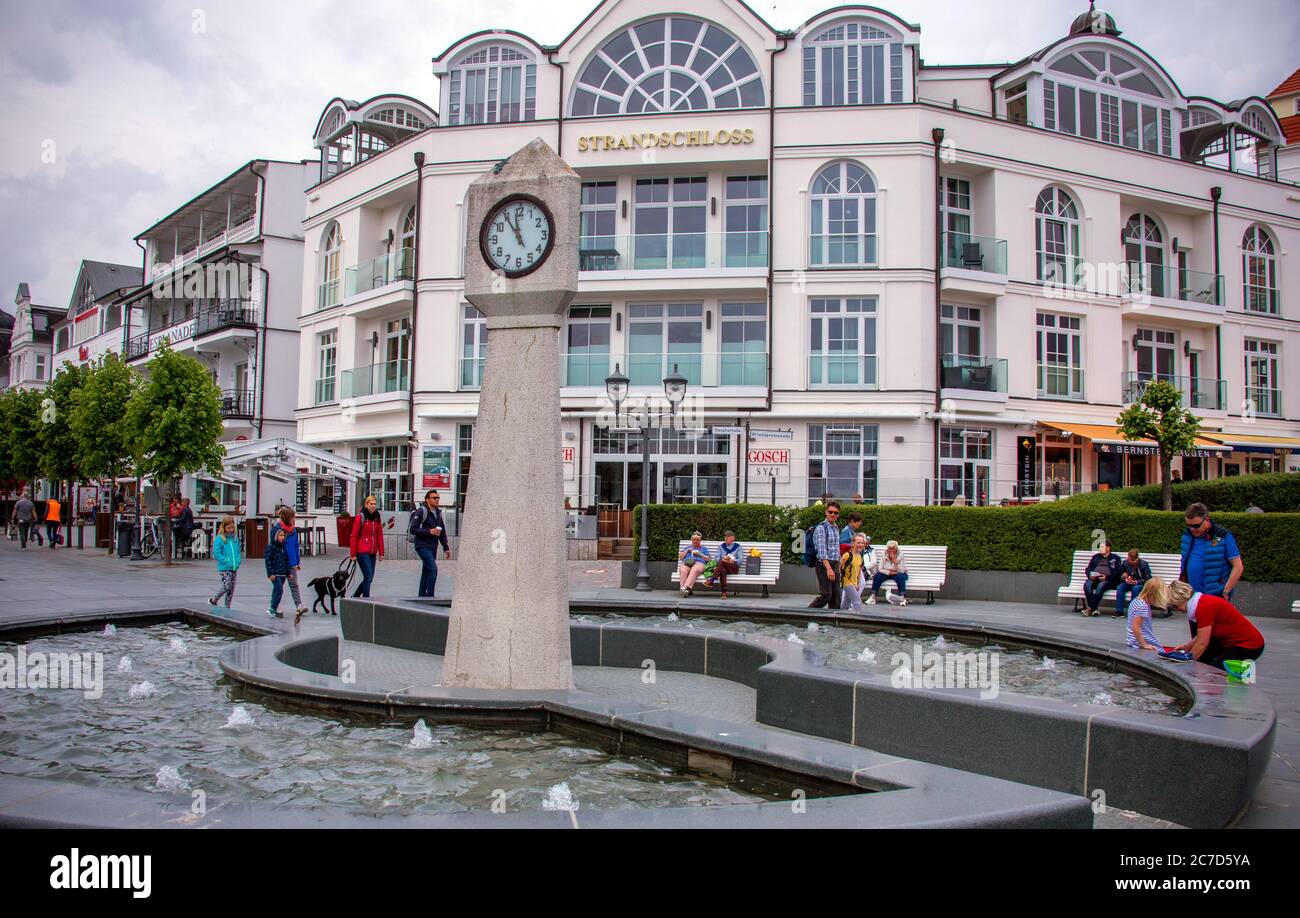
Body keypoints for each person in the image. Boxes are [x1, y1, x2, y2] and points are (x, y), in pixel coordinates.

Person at [1166, 579, 1264, 671]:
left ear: (1183, 599)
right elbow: (1203, 634)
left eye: (1175, 605)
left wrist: (1187, 664)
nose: (1177, 609)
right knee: (1204, 662)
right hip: (1232, 642)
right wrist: (1187, 646)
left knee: (1215, 670)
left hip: (1249, 646)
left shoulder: (1204, 607)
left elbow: (1202, 643)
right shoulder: (1201, 601)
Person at [1180, 502, 1243, 600]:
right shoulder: (1187, 536)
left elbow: (1238, 566)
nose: (1192, 529)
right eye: (1189, 525)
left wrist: (1226, 591)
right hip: (1193, 596)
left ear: (1207, 520)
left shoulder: (1223, 536)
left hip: (1216, 596)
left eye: (1196, 526)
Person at [409, 489, 451, 598]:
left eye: (438, 498)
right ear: (427, 500)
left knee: (426, 571)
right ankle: (430, 597)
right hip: (422, 546)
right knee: (433, 569)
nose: (437, 500)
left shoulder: (438, 513)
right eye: (434, 498)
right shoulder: (421, 511)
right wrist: (429, 531)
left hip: (433, 546)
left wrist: (446, 547)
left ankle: (422, 596)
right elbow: (413, 529)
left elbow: (442, 531)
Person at [270, 507, 307, 620]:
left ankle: (299, 605)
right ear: (287, 518)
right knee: (278, 586)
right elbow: (273, 546)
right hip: (280, 562)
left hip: (291, 561)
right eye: (292, 517)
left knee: (294, 584)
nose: (294, 519)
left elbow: (296, 546)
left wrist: (297, 561)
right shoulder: (277, 529)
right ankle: (276, 606)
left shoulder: (293, 530)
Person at [349, 495, 384, 597]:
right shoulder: (361, 517)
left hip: (372, 551)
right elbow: (354, 536)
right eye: (371, 504)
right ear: (366, 505)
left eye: (374, 504)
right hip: (362, 550)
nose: (373, 506)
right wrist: (353, 554)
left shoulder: (377, 517)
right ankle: (366, 600)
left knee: (369, 577)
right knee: (368, 575)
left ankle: (355, 596)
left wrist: (381, 552)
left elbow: (379, 535)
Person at [809, 501, 842, 609]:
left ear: (838, 514)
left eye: (835, 513)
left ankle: (833, 622)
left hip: (835, 565)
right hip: (824, 565)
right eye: (830, 512)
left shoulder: (836, 528)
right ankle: (807, 614)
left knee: (836, 597)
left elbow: (836, 549)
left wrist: (838, 566)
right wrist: (829, 569)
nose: (833, 514)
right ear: (826, 512)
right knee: (827, 595)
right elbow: (822, 551)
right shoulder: (821, 528)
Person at [1125, 576, 1167, 652]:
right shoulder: (1142, 605)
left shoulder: (1137, 600)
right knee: (1163, 653)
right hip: (1142, 641)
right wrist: (1144, 645)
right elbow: (1135, 627)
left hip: (1135, 640)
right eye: (1156, 598)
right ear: (1150, 594)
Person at [208, 515, 241, 610]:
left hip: (234, 567)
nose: (231, 529)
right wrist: (225, 560)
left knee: (231, 589)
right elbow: (216, 552)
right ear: (224, 527)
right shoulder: (220, 539)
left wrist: (238, 560)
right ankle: (214, 599)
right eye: (228, 528)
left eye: (232, 527)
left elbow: (238, 551)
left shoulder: (234, 539)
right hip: (224, 567)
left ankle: (227, 607)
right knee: (227, 585)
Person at [1082, 540, 1122, 616]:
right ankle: (1094, 609)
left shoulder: (1115, 558)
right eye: (1099, 547)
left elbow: (1117, 573)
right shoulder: (1095, 557)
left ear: (1108, 548)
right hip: (1095, 578)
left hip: (1108, 581)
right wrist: (1090, 575)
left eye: (1102, 547)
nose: (1100, 548)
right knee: (1087, 585)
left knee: (1100, 586)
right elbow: (1088, 569)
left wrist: (1106, 577)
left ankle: (1090, 608)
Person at [1113, 549, 1152, 618]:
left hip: (1139, 584)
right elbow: (1119, 574)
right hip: (1128, 583)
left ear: (1137, 559)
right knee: (1120, 587)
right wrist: (1123, 575)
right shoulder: (1125, 563)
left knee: (1135, 588)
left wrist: (1136, 582)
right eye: (1129, 560)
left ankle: (1132, 611)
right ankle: (1119, 611)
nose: (1130, 562)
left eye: (1132, 560)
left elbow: (1148, 578)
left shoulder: (1144, 564)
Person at [839, 532, 872, 612]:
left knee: (846, 603)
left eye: (862, 543)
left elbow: (858, 571)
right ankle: (860, 620)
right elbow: (839, 567)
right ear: (853, 543)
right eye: (858, 542)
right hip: (847, 582)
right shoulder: (847, 555)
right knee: (857, 601)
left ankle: (839, 618)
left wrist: (857, 583)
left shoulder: (859, 556)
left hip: (854, 583)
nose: (860, 544)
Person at [870, 540, 909, 606]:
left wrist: (895, 561)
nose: (890, 550)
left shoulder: (900, 555)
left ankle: (902, 598)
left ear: (896, 548)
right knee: (877, 576)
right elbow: (880, 569)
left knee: (901, 576)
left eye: (892, 548)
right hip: (888, 573)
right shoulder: (884, 554)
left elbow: (902, 570)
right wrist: (889, 572)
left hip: (898, 573)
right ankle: (872, 597)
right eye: (889, 548)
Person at [705, 530, 742, 599]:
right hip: (722, 568)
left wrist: (732, 560)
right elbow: (716, 559)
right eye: (725, 536)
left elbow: (740, 561)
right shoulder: (721, 547)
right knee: (723, 570)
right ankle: (724, 594)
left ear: (733, 538)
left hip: (733, 568)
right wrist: (724, 559)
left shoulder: (738, 547)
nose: (726, 538)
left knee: (722, 562)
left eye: (728, 536)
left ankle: (712, 580)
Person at [264, 526, 290, 619]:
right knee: (279, 590)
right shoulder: (271, 547)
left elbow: (286, 560)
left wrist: (288, 572)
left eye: (283, 535)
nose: (282, 537)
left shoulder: (283, 547)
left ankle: (272, 607)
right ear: (275, 536)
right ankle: (273, 608)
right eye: (280, 535)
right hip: (275, 573)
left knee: (276, 590)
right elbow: (268, 561)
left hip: (282, 573)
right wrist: (270, 573)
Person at [677, 531, 710, 597]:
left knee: (694, 570)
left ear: (700, 540)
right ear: (691, 540)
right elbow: (680, 557)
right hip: (687, 562)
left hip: (699, 563)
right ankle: (686, 590)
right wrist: (687, 551)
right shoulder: (688, 547)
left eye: (698, 540)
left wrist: (700, 554)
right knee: (683, 569)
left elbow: (708, 559)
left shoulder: (704, 549)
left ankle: (684, 588)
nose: (696, 541)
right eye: (694, 539)